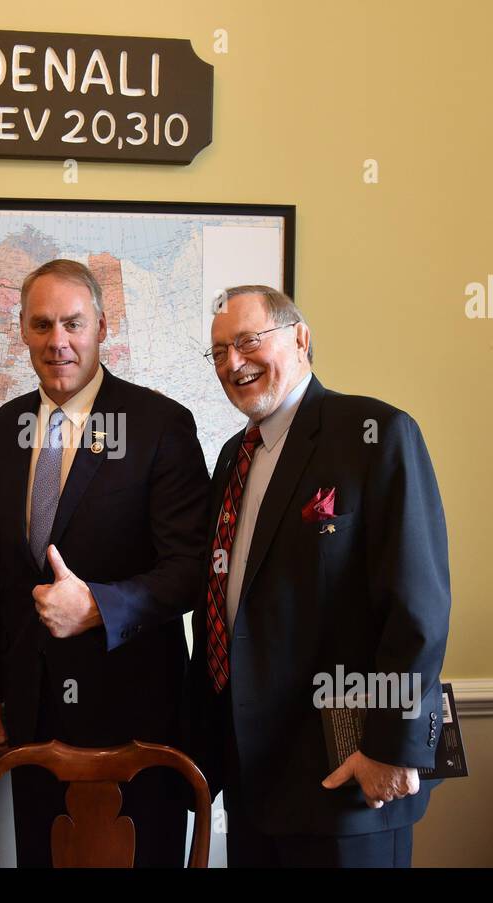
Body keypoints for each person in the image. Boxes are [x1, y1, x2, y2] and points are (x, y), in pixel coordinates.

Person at [186, 285, 451, 867]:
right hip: (253, 780)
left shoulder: (375, 433)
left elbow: (417, 607)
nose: (233, 362)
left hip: (349, 776)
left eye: (249, 341)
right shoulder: (234, 455)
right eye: (219, 351)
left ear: (300, 338)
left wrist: (390, 746)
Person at [0, 259, 208, 867]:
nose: (59, 341)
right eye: (43, 324)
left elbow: (189, 567)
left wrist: (98, 608)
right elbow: (2, 574)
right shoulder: (1, 432)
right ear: (22, 331)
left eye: (74, 323)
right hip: (33, 717)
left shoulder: (160, 425)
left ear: (102, 327)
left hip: (134, 709)